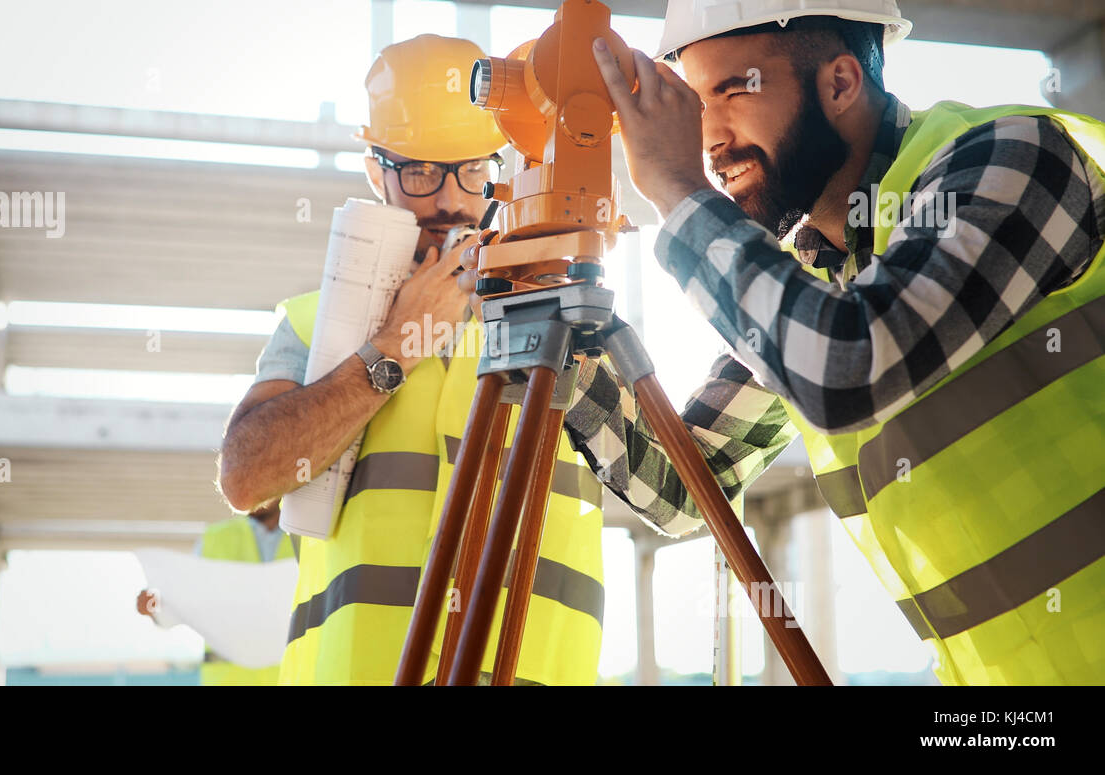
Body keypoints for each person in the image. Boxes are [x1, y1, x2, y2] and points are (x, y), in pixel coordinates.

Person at [483, 0, 1103, 685]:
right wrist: (553, 319)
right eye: (692, 103)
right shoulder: (815, 279)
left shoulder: (1017, 158)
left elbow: (853, 366)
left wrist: (680, 194)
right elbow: (681, 490)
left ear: (840, 83)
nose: (707, 138)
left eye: (733, 91)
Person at [218, 34, 606, 685]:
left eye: (473, 170)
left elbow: (662, 484)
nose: (450, 198)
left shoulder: (561, 313)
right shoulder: (314, 323)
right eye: (421, 172)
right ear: (377, 171)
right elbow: (244, 476)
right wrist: (391, 350)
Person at [137, 502, 293, 685]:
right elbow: (185, 596)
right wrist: (157, 607)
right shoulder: (215, 537)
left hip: (292, 675)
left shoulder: (308, 538)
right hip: (227, 678)